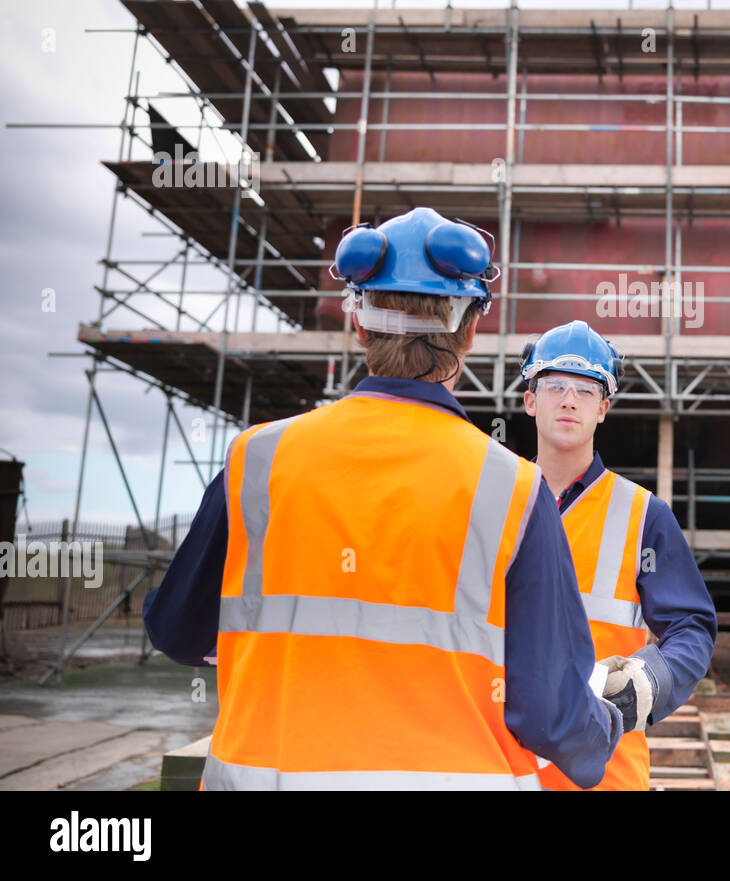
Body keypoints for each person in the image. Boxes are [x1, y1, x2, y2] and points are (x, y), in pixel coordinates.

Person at [143, 208, 624, 790]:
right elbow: (552, 710)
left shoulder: (257, 461)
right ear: (470, 331)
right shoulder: (515, 490)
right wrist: (603, 734)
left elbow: (177, 631)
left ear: (360, 326)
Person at [520, 321, 717, 790]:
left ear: (603, 409)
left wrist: (651, 679)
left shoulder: (643, 514)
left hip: (605, 768)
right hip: (503, 765)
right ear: (530, 401)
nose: (569, 400)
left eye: (586, 391)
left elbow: (691, 627)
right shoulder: (491, 500)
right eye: (555, 386)